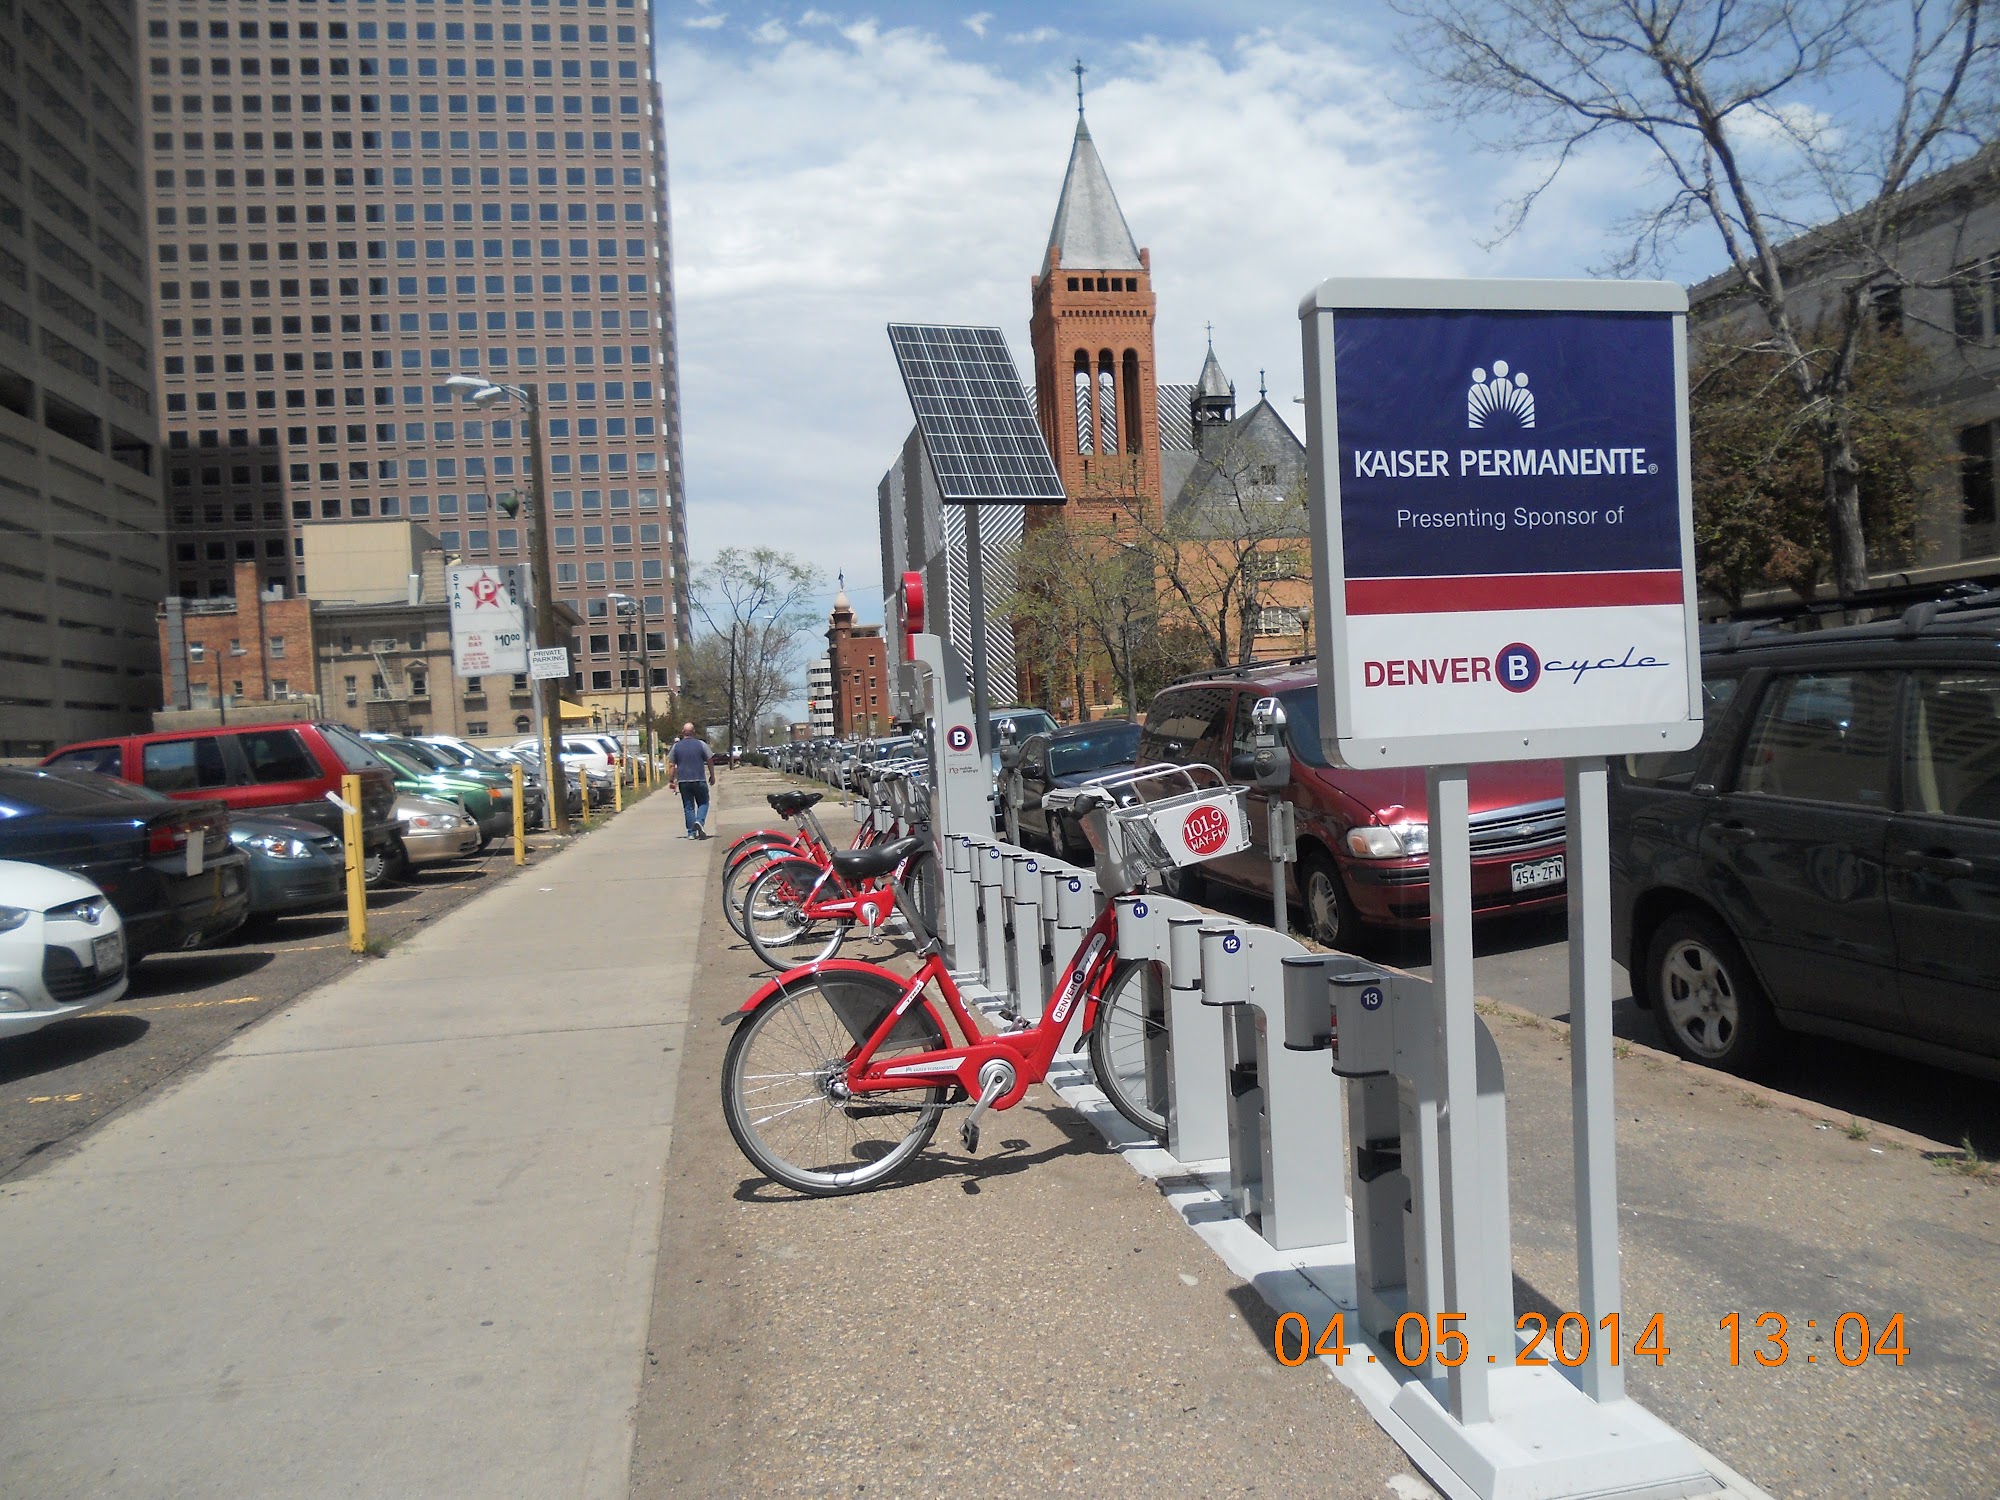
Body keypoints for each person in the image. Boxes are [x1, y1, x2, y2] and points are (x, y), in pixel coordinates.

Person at [669, 723, 714, 839]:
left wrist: (671, 780)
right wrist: (712, 775)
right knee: (704, 802)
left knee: (688, 806)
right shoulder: (701, 744)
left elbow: (672, 765)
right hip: (699, 779)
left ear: (683, 732)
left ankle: (691, 833)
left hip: (683, 781)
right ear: (694, 732)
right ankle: (699, 821)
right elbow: (710, 760)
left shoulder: (676, 747)